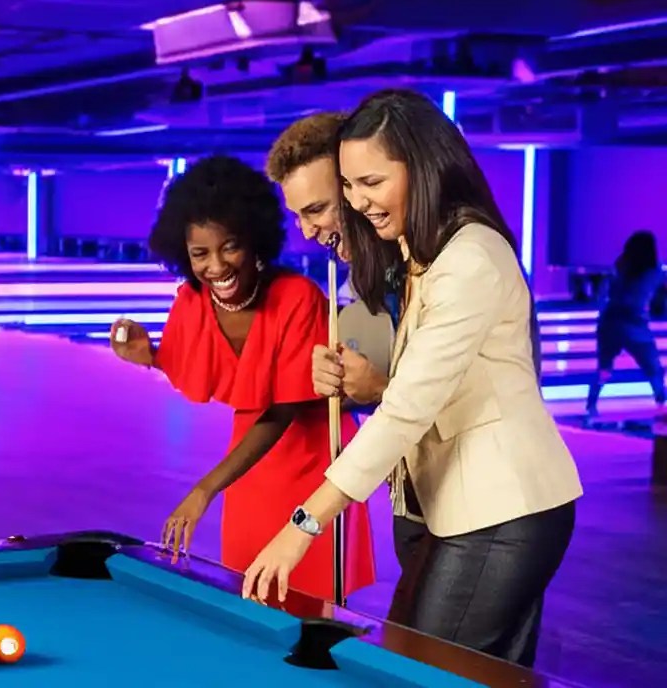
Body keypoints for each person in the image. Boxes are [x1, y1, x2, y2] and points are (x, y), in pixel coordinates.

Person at [243, 89, 583, 668]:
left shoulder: (469, 259)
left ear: (421, 166)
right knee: (472, 676)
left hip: (503, 509)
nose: (357, 202)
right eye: (348, 188)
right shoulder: (421, 254)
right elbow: (412, 389)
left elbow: (406, 409)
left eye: (370, 183)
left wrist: (303, 523)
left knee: (422, 673)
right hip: (463, 508)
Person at [109, 156, 374, 603]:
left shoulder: (297, 297)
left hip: (314, 466)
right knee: (251, 596)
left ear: (254, 241)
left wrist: (204, 488)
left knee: (309, 604)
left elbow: (283, 409)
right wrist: (147, 356)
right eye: (200, 254)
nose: (216, 266)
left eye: (229, 247)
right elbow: (192, 367)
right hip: (249, 472)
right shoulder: (192, 303)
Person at [266, 110, 398, 405]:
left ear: (355, 188)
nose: (308, 233)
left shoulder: (443, 268)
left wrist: (380, 391)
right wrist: (340, 381)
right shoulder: (360, 280)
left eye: (316, 210)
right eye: (298, 216)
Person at [586, 230, 665, 417]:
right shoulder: (654, 270)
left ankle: (591, 405)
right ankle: (661, 402)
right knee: (653, 367)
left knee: (604, 367)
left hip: (610, 321)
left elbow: (607, 291)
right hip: (635, 324)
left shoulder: (621, 265)